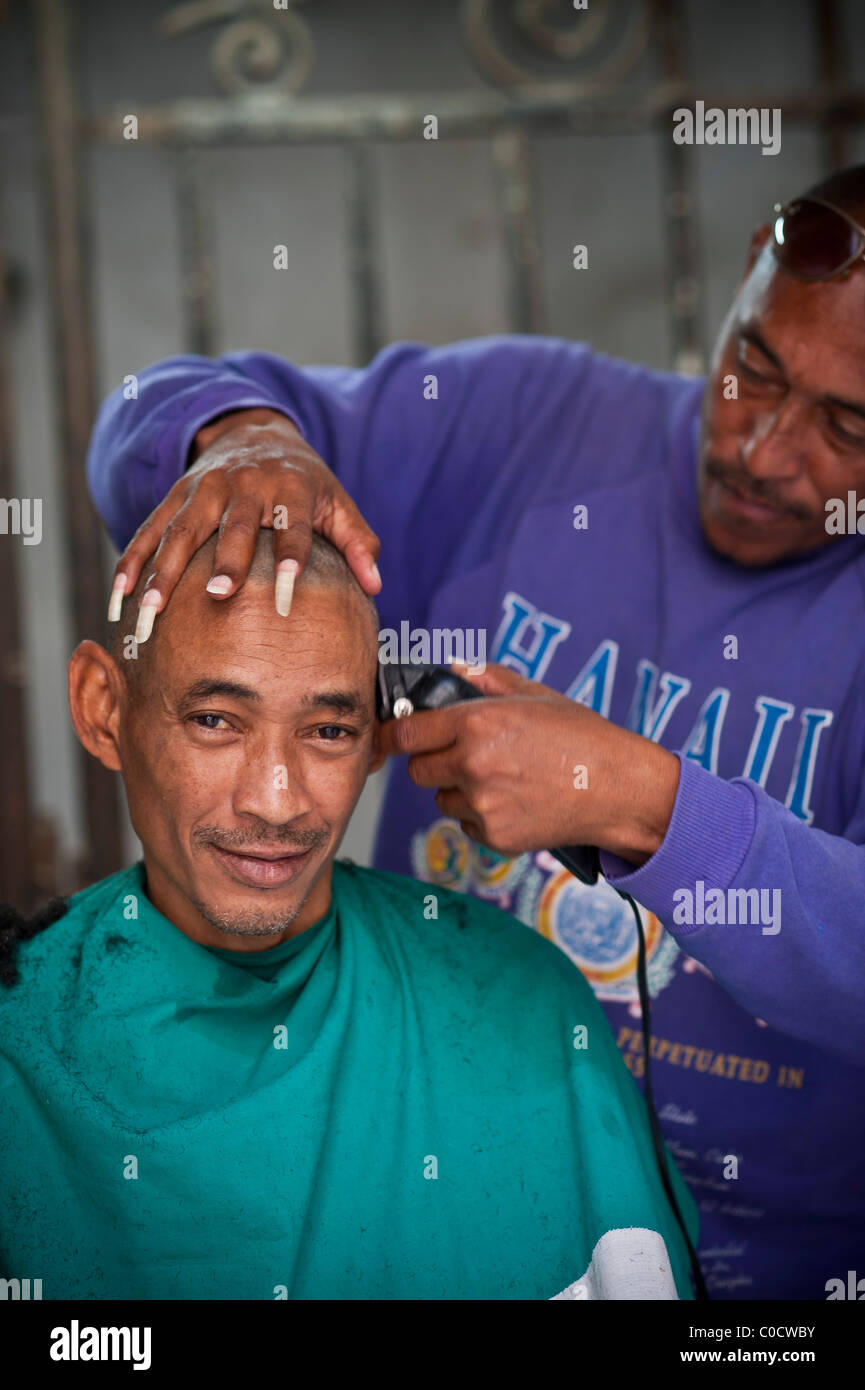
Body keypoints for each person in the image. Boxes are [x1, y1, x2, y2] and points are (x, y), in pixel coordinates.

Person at [85, 167, 865, 1300]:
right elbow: (144, 413)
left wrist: (643, 804)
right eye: (755, 367)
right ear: (747, 269)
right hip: (435, 1198)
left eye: (846, 425)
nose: (762, 449)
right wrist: (244, 442)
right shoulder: (530, 421)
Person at [0, 531, 698, 1301]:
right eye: (215, 720)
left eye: (328, 731)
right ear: (103, 709)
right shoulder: (17, 1034)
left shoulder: (521, 1004)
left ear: (375, 740)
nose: (276, 801)